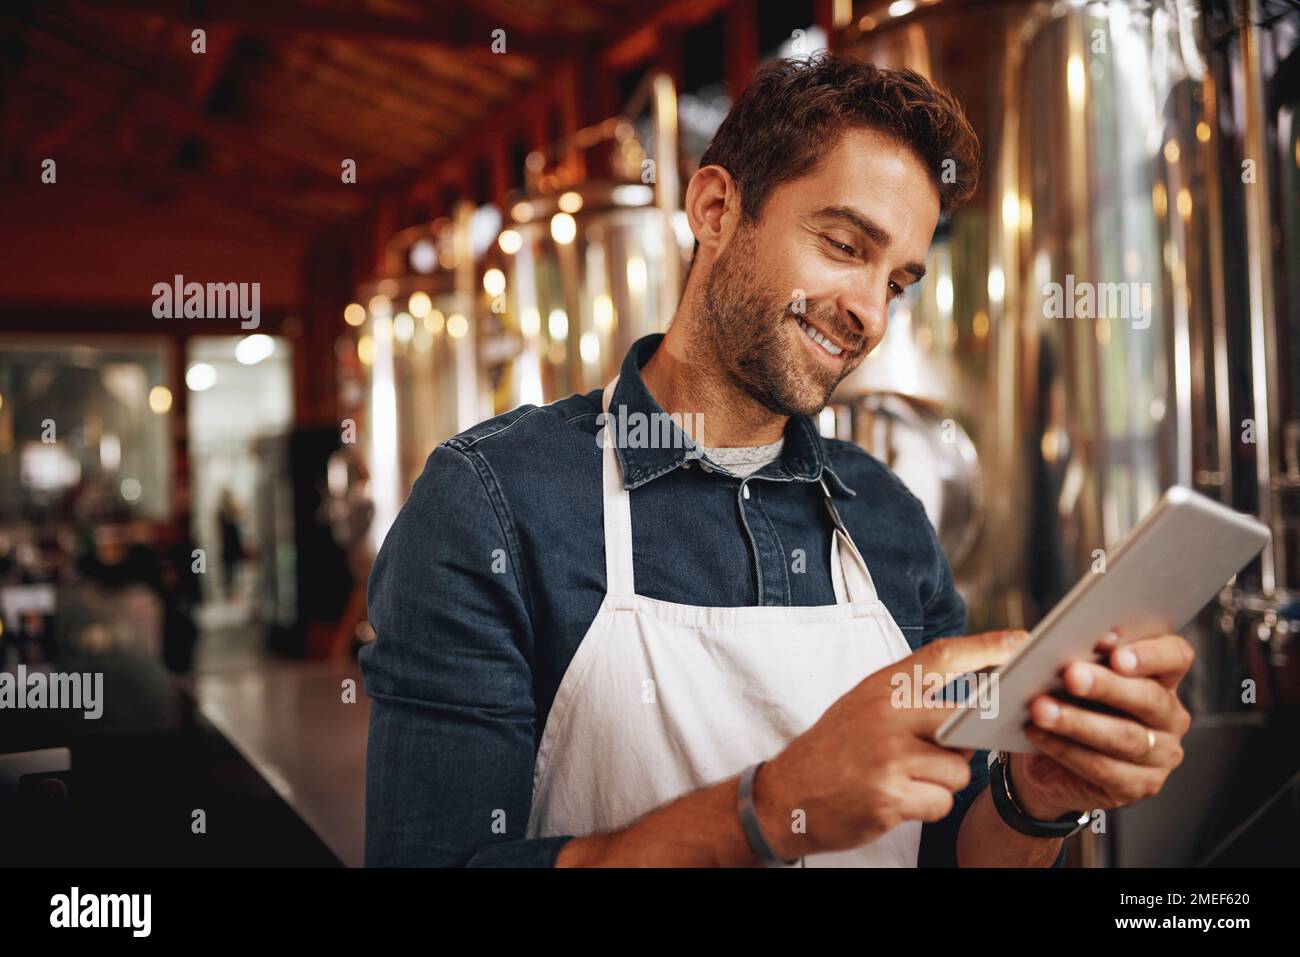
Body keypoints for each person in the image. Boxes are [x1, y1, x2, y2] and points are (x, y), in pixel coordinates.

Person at [360, 54, 1193, 867]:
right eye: (842, 244)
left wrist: (1030, 797)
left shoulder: (889, 521)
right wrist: (769, 811)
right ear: (717, 208)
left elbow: (949, 849)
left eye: (897, 282)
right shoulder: (493, 503)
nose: (869, 312)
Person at [216, 489, 243, 600]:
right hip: (228, 545)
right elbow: (220, 531)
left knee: (233, 570)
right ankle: (230, 593)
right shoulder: (222, 512)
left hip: (232, 545)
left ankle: (232, 592)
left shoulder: (232, 510)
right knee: (228, 570)